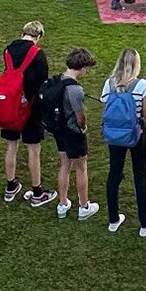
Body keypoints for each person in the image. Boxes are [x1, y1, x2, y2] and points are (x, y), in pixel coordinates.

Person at [1, 21, 54, 207]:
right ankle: (37, 191)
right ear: (38, 36)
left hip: (9, 105)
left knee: (11, 146)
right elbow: (43, 83)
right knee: (33, 149)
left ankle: (10, 185)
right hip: (30, 107)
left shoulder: (7, 50)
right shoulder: (38, 54)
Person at [100, 48, 146, 234]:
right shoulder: (142, 85)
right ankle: (144, 224)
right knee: (140, 175)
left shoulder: (109, 84)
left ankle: (113, 220)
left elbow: (106, 108)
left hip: (114, 135)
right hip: (136, 134)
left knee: (114, 173)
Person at [47, 48, 100, 219]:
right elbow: (80, 117)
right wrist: (83, 128)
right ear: (82, 66)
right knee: (81, 167)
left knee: (64, 164)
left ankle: (62, 204)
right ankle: (84, 206)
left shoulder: (57, 81)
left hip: (58, 129)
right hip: (73, 132)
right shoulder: (75, 90)